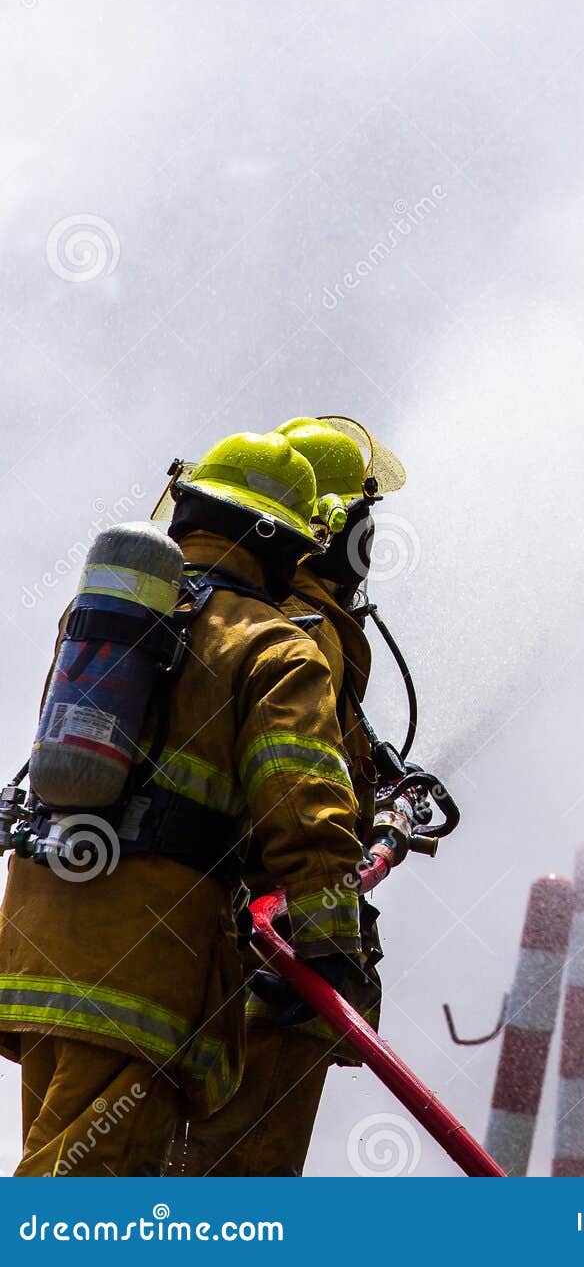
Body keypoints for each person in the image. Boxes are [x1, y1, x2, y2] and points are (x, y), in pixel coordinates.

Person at [0, 431, 365, 1176]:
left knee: (54, 1165)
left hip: (40, 935)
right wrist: (333, 948)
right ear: (284, 547)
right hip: (141, 967)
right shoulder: (277, 648)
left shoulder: (103, 617)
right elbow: (304, 806)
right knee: (83, 1213)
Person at [175, 415, 406, 1176]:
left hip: (200, 955)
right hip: (272, 971)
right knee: (239, 1187)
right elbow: (302, 794)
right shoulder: (308, 634)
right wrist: (334, 942)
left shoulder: (234, 607)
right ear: (338, 532)